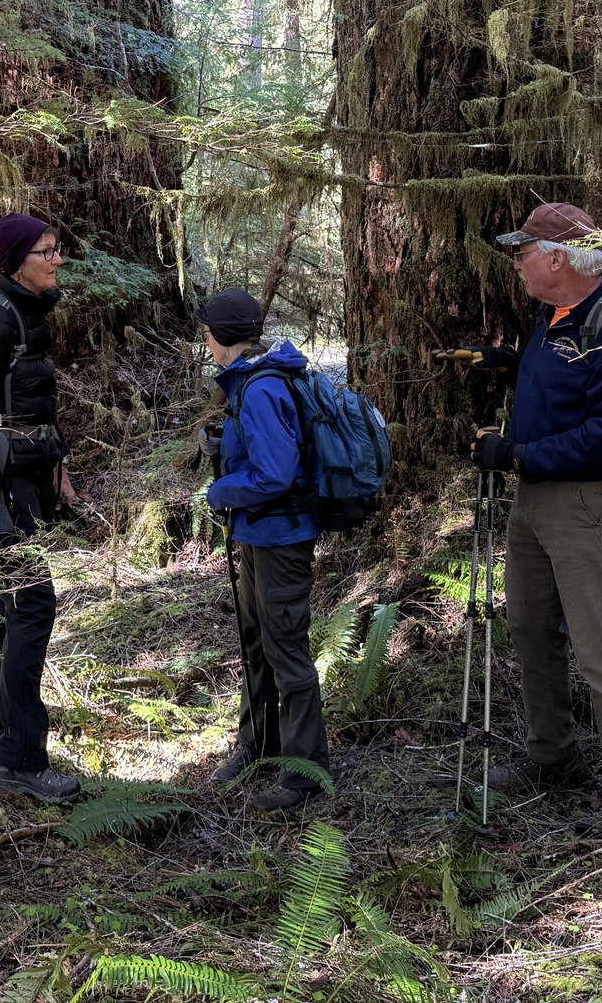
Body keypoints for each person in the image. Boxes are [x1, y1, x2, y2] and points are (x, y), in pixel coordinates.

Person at [463, 202, 602, 818]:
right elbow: (563, 384)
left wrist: (517, 453)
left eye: (522, 252)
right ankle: (553, 757)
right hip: (536, 503)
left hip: (588, 502)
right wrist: (508, 364)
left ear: (556, 257)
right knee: (530, 629)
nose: (516, 264)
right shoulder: (553, 317)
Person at [0, 213, 82, 805]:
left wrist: (59, 469)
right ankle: (20, 759)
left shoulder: (30, 310)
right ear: (16, 260)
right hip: (1, 484)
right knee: (33, 603)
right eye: (46, 252)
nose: (57, 260)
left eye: (58, 250)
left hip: (26, 477)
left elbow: (33, 404)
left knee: (11, 595)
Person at [196, 288, 330, 813]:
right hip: (257, 534)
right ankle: (258, 744)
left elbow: (273, 474)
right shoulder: (250, 383)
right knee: (256, 641)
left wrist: (219, 490)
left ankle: (305, 772)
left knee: (285, 649)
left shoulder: (260, 387)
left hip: (280, 537)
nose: (204, 339)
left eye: (208, 331)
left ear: (224, 337)